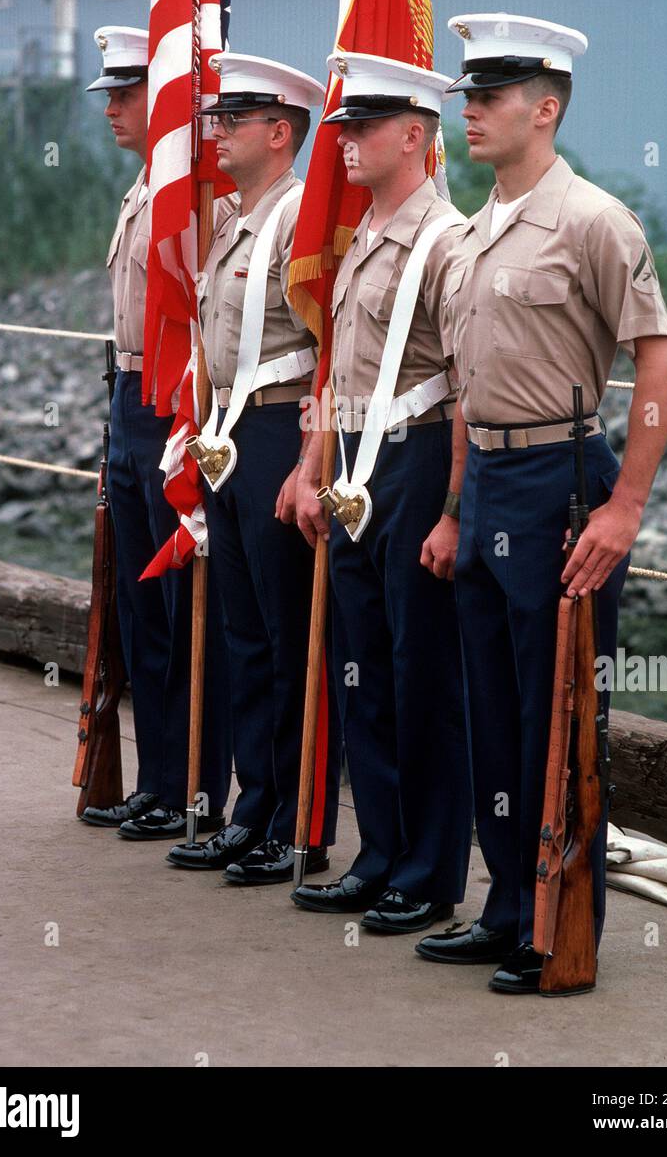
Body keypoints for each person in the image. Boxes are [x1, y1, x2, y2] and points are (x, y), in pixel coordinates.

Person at [416, 12, 667, 991]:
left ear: (546, 106)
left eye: (489, 97)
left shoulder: (596, 222)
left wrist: (626, 506)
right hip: (485, 477)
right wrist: (449, 508)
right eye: (469, 96)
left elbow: (658, 357)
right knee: (490, 711)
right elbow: (460, 385)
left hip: (562, 484)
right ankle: (503, 905)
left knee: (562, 711)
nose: (471, 111)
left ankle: (561, 922)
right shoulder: (468, 236)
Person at [293, 53, 473, 935]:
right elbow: (340, 368)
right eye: (343, 128)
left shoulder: (448, 241)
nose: (347, 144)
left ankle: (431, 871)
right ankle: (380, 853)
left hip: (419, 455)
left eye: (362, 128)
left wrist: (452, 509)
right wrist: (317, 466)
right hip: (360, 464)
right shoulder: (363, 235)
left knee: (420, 671)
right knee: (362, 663)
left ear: (415, 134)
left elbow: (472, 386)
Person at [168, 53, 340, 884]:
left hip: (280, 435)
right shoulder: (235, 219)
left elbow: (328, 353)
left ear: (280, 133)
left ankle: (298, 822)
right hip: (232, 436)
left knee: (288, 634)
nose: (216, 132)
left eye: (232, 121)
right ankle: (254, 807)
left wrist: (311, 459)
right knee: (244, 636)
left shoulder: (306, 217)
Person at [82, 25, 231, 841]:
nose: (112, 108)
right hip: (129, 399)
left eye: (126, 93)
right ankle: (157, 780)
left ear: (165, 95)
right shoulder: (144, 190)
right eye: (109, 94)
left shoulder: (202, 195)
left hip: (179, 404)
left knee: (186, 610)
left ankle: (196, 790)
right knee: (140, 609)